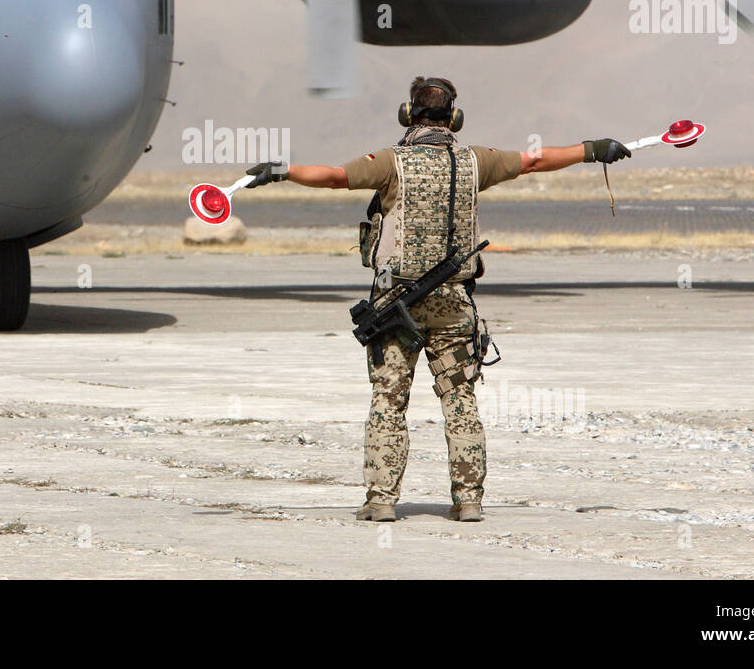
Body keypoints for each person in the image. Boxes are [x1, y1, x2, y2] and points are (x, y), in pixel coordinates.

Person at [244, 76, 630, 523]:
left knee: (389, 402)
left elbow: (333, 177)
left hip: (396, 305)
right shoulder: (476, 162)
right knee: (459, 397)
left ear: (408, 115)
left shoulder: (390, 162)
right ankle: (468, 500)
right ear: (455, 118)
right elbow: (536, 160)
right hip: (454, 304)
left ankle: (382, 500)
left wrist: (280, 171)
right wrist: (593, 148)